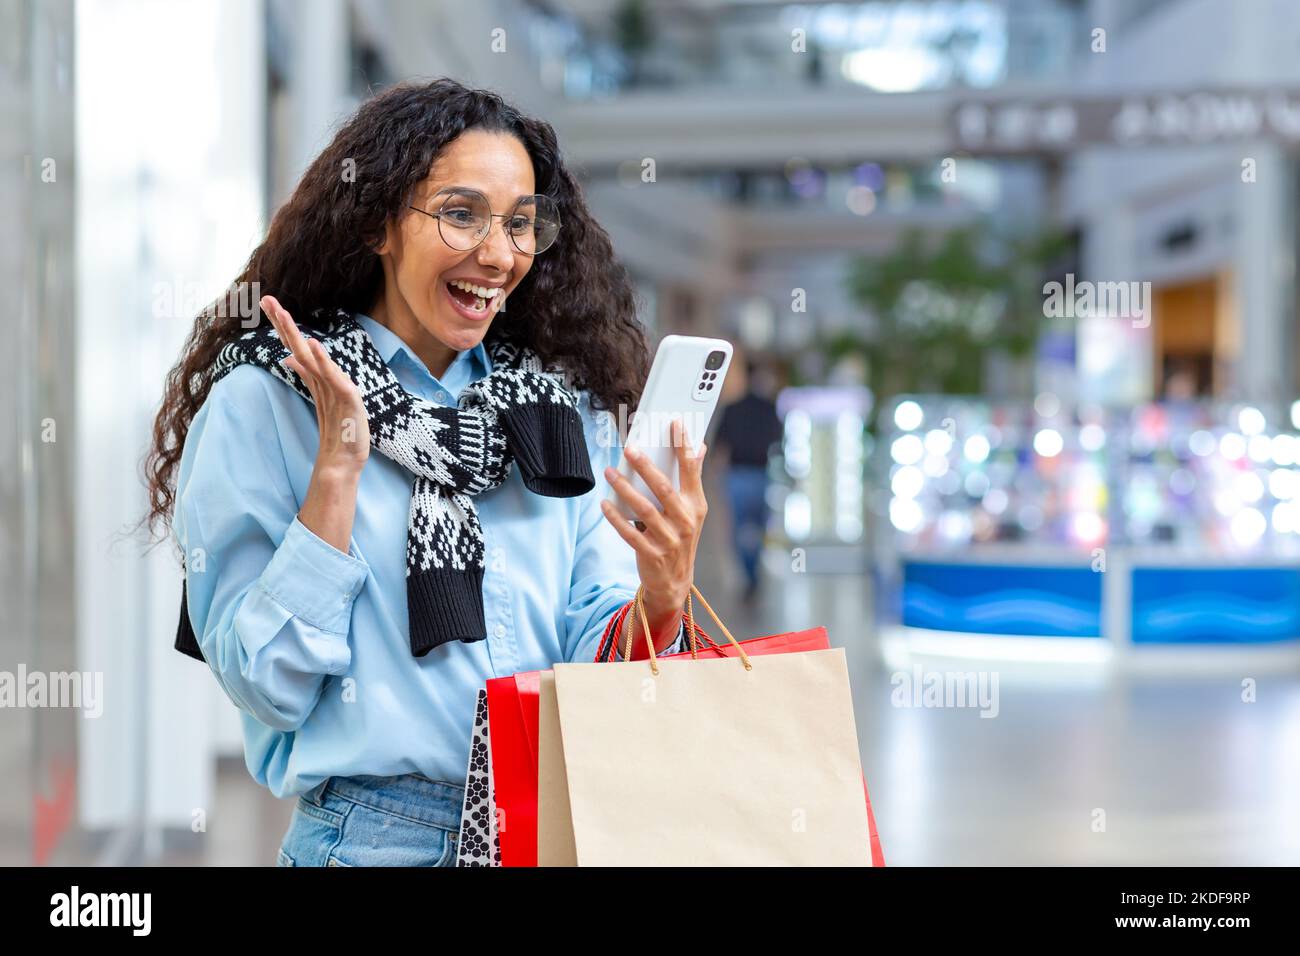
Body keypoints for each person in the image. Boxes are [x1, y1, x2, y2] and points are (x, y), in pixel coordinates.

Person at [140, 78, 711, 867]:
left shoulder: (557, 413)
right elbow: (266, 684)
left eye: (519, 223)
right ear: (378, 222)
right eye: (461, 213)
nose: (497, 253)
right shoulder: (268, 404)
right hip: (369, 843)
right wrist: (338, 472)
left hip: (549, 831)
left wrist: (662, 597)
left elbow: (597, 665)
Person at [712, 357, 783, 602]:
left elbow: (718, 446)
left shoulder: (732, 408)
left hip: (737, 475)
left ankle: (749, 574)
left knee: (739, 529)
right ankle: (753, 573)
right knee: (759, 528)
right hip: (760, 474)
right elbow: (779, 441)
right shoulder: (769, 408)